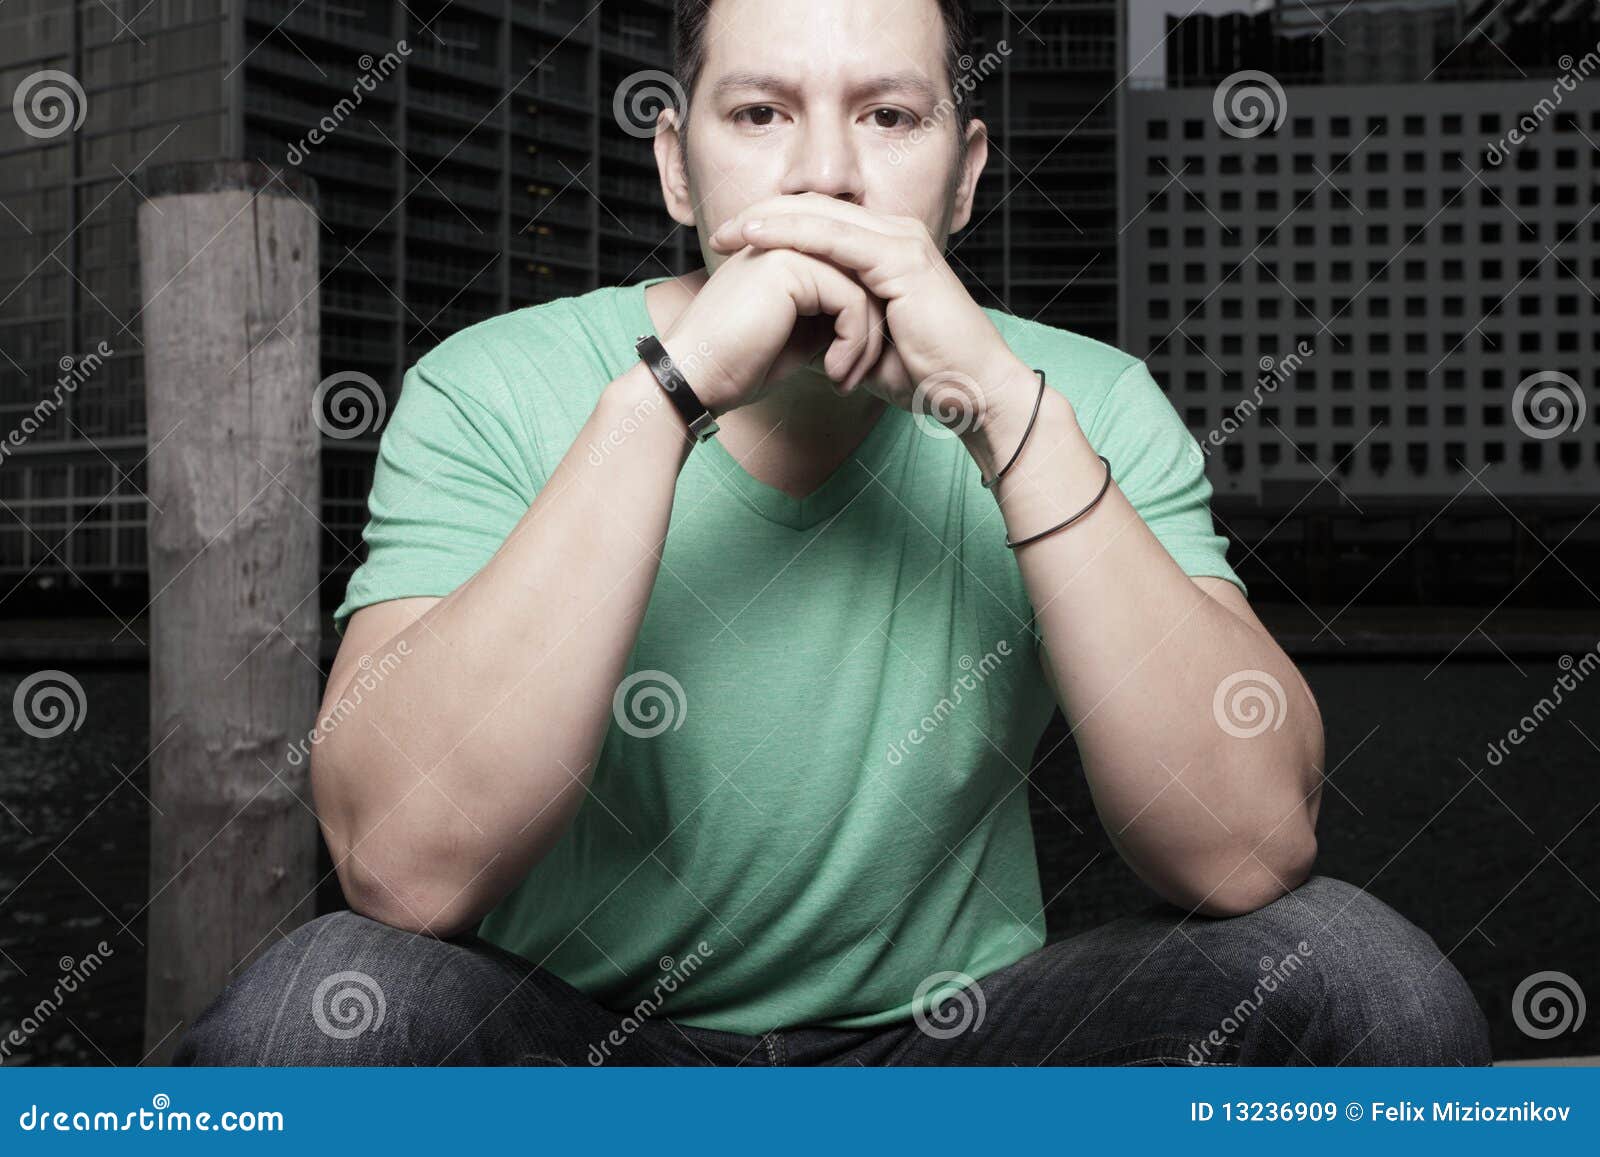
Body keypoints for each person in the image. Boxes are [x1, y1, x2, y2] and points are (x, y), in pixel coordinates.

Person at [175, 0, 1490, 1066]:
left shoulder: (1082, 398)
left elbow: (1247, 842)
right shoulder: (494, 383)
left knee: (1365, 982)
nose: (825, 172)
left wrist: (1002, 411)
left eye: (890, 115)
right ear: (679, 164)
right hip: (582, 1045)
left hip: (955, 1049)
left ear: (964, 176)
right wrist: (668, 394)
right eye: (759, 114)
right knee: (318, 1009)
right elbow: (403, 868)